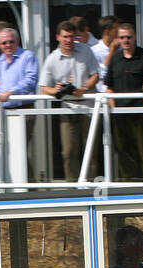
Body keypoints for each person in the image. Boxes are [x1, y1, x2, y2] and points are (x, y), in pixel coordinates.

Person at [41, 20, 100, 181]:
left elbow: (96, 75)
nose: (68, 40)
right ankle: (71, 188)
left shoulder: (86, 50)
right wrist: (56, 90)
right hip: (67, 108)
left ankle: (90, 187)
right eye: (65, 36)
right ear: (58, 37)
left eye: (71, 37)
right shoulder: (52, 58)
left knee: (91, 150)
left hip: (88, 107)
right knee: (68, 152)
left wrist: (84, 89)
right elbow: (44, 87)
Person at [104, 22, 143, 181]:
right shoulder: (115, 58)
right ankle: (128, 187)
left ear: (135, 38)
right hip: (120, 114)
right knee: (124, 152)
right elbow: (110, 86)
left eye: (129, 37)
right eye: (122, 37)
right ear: (118, 39)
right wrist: (113, 110)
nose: (126, 40)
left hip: (141, 113)